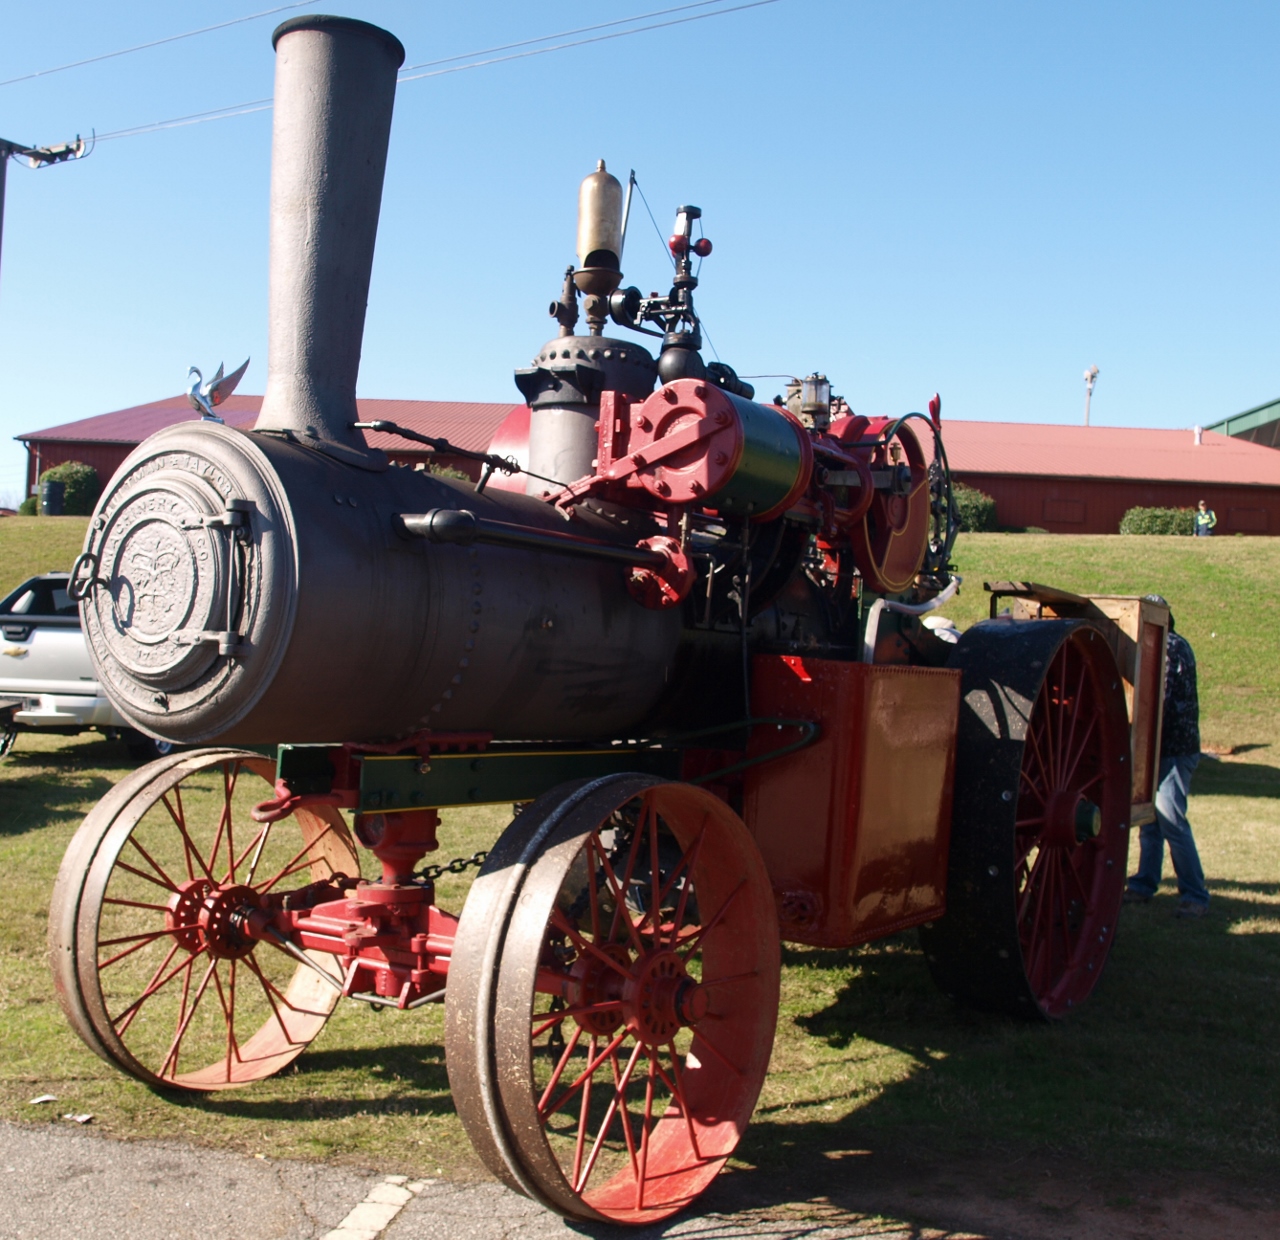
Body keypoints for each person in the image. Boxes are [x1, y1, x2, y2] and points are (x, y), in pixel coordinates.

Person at [1124, 596, 1210, 918]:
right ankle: (1144, 884)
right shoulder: (1176, 645)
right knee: (1152, 822)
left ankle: (1195, 895)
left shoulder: (1166, 649)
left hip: (1172, 750)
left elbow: (1158, 698)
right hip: (1172, 747)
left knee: (1171, 821)